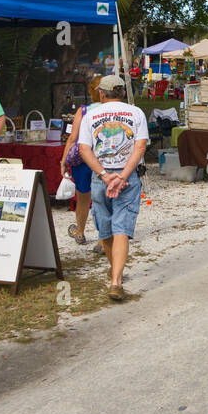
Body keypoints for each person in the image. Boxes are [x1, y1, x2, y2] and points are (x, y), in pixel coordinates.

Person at [78, 76, 149, 302]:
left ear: (101, 93)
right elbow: (140, 147)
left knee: (106, 230)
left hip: (102, 178)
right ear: (121, 92)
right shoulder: (136, 113)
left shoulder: (90, 115)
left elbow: (84, 149)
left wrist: (104, 175)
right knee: (121, 229)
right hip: (126, 177)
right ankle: (116, 280)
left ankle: (114, 273)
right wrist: (123, 176)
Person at [59, 81, 96, 243]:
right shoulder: (114, 110)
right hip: (105, 159)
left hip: (83, 159)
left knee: (83, 198)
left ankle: (80, 232)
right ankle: (103, 239)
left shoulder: (84, 110)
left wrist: (63, 160)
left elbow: (72, 138)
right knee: (104, 199)